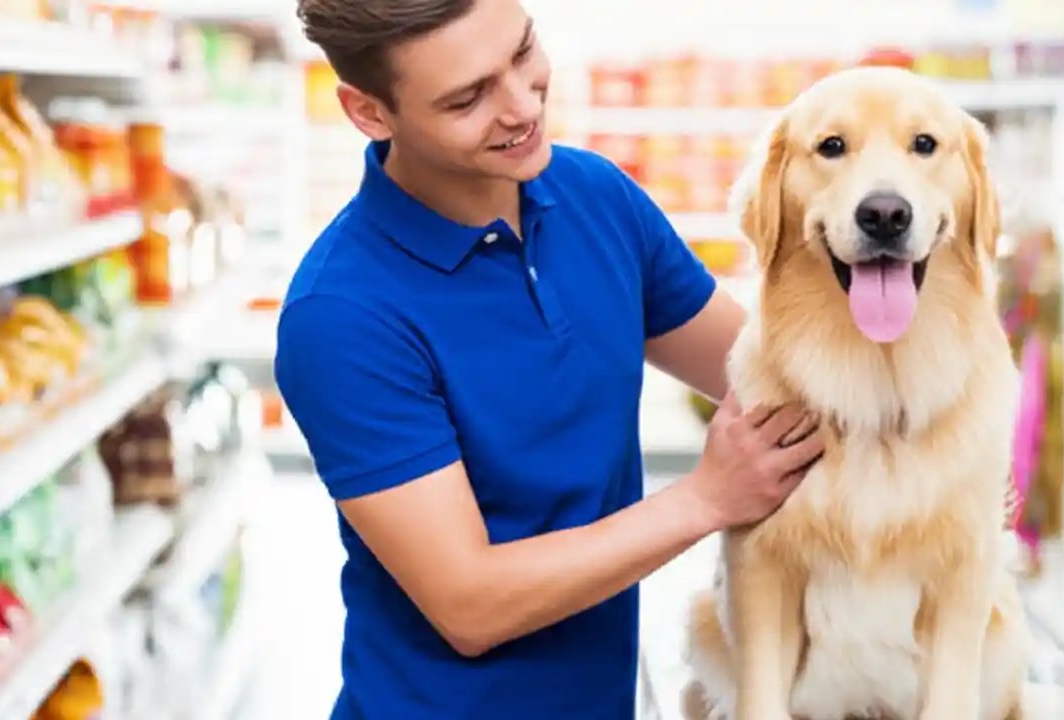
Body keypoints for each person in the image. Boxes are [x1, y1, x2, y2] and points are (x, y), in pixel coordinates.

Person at [274, 1, 825, 718]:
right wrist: (704, 499)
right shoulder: (342, 314)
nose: (521, 104)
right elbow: (468, 604)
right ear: (369, 112)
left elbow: (772, 382)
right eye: (467, 97)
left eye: (523, 51)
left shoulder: (596, 198)